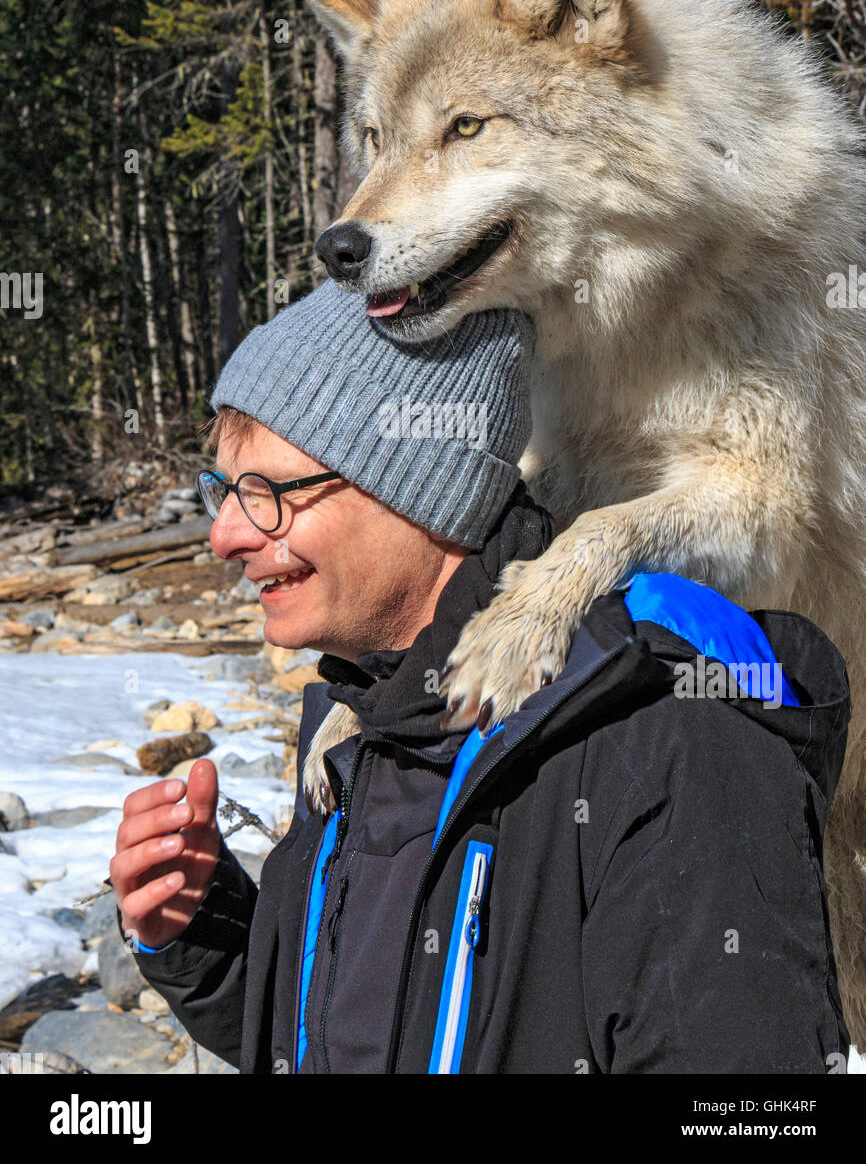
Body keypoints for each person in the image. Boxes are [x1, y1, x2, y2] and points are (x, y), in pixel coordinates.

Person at [111, 280, 851, 1074]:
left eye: (267, 494)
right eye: (223, 491)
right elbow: (351, 1038)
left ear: (420, 490)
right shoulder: (366, 725)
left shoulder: (661, 734)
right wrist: (201, 931)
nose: (223, 537)